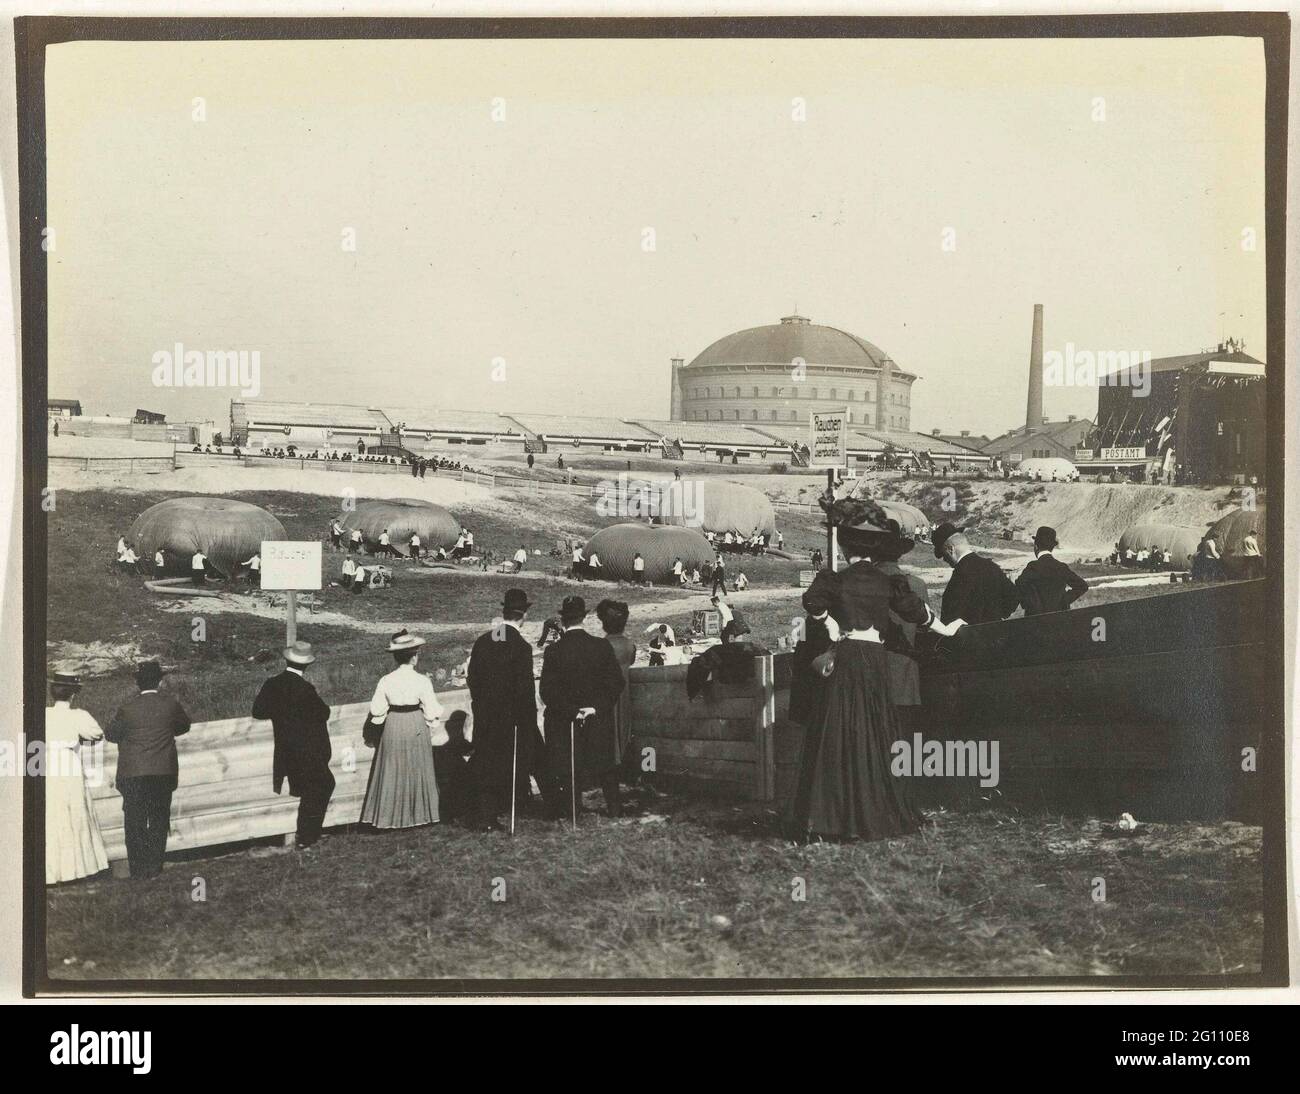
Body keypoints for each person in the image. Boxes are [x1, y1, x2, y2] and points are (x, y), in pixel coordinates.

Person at [789, 495, 965, 843]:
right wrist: (949, 629)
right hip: (875, 662)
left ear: (845, 546)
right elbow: (920, 615)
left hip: (845, 658)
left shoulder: (834, 580)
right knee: (875, 733)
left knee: (837, 734)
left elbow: (812, 604)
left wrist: (830, 627)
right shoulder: (889, 583)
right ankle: (875, 812)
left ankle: (831, 818)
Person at [539, 596, 628, 820]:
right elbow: (616, 683)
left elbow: (547, 693)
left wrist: (573, 711)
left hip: (566, 722)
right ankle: (615, 809)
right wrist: (595, 708)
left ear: (563, 619)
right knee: (606, 766)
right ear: (584, 617)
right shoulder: (601, 646)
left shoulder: (553, 652)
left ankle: (572, 810)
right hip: (597, 718)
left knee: (570, 767)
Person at [106, 662, 191, 879]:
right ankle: (154, 867)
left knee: (134, 821)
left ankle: (138, 869)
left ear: (137, 683)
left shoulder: (127, 709)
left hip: (133, 773)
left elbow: (111, 734)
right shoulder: (170, 705)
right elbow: (184, 726)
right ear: (160, 681)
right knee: (159, 819)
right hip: (163, 771)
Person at [466, 589, 541, 831]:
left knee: (486, 761)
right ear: (524, 615)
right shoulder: (521, 647)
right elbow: (525, 690)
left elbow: (472, 679)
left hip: (485, 714)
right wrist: (528, 719)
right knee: (506, 762)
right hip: (511, 718)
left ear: (504, 612)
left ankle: (484, 815)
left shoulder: (484, 640)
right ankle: (502, 809)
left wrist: (481, 703)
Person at [251, 641, 335, 849]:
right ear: (306, 665)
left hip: (285, 751)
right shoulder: (305, 689)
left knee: (311, 789)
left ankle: (307, 836)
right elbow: (324, 713)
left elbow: (258, 711)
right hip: (307, 751)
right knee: (322, 786)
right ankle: (307, 837)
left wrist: (280, 713)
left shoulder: (272, 684)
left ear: (287, 660)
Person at [360, 630, 446, 829]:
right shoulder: (422, 680)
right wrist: (432, 722)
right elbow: (432, 709)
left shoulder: (386, 680)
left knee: (393, 769)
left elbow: (377, 710)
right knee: (418, 767)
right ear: (414, 656)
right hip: (415, 723)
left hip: (394, 724)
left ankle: (389, 817)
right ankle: (419, 816)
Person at [44, 671, 109, 884]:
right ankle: (78, 868)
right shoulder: (78, 716)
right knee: (75, 813)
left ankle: (53, 872)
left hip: (47, 766)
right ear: (73, 695)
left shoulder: (42, 714)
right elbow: (96, 733)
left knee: (52, 815)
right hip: (68, 764)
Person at [932, 522, 1020, 625]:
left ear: (951, 549)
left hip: (968, 639)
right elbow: (1014, 596)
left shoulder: (959, 576)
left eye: (944, 555)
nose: (944, 560)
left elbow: (950, 618)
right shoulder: (991, 567)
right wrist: (996, 618)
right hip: (994, 634)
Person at [595, 599, 638, 791]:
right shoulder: (630, 645)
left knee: (608, 729)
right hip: (625, 692)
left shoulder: (602, 646)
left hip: (607, 692)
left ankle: (610, 767)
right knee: (624, 727)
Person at [1015, 526, 1089, 615]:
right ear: (1052, 548)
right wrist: (1063, 601)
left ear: (1036, 547)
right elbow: (1082, 586)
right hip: (1059, 620)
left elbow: (1019, 584)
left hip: (1036, 622)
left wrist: (1031, 605)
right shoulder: (1061, 567)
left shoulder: (1033, 566)